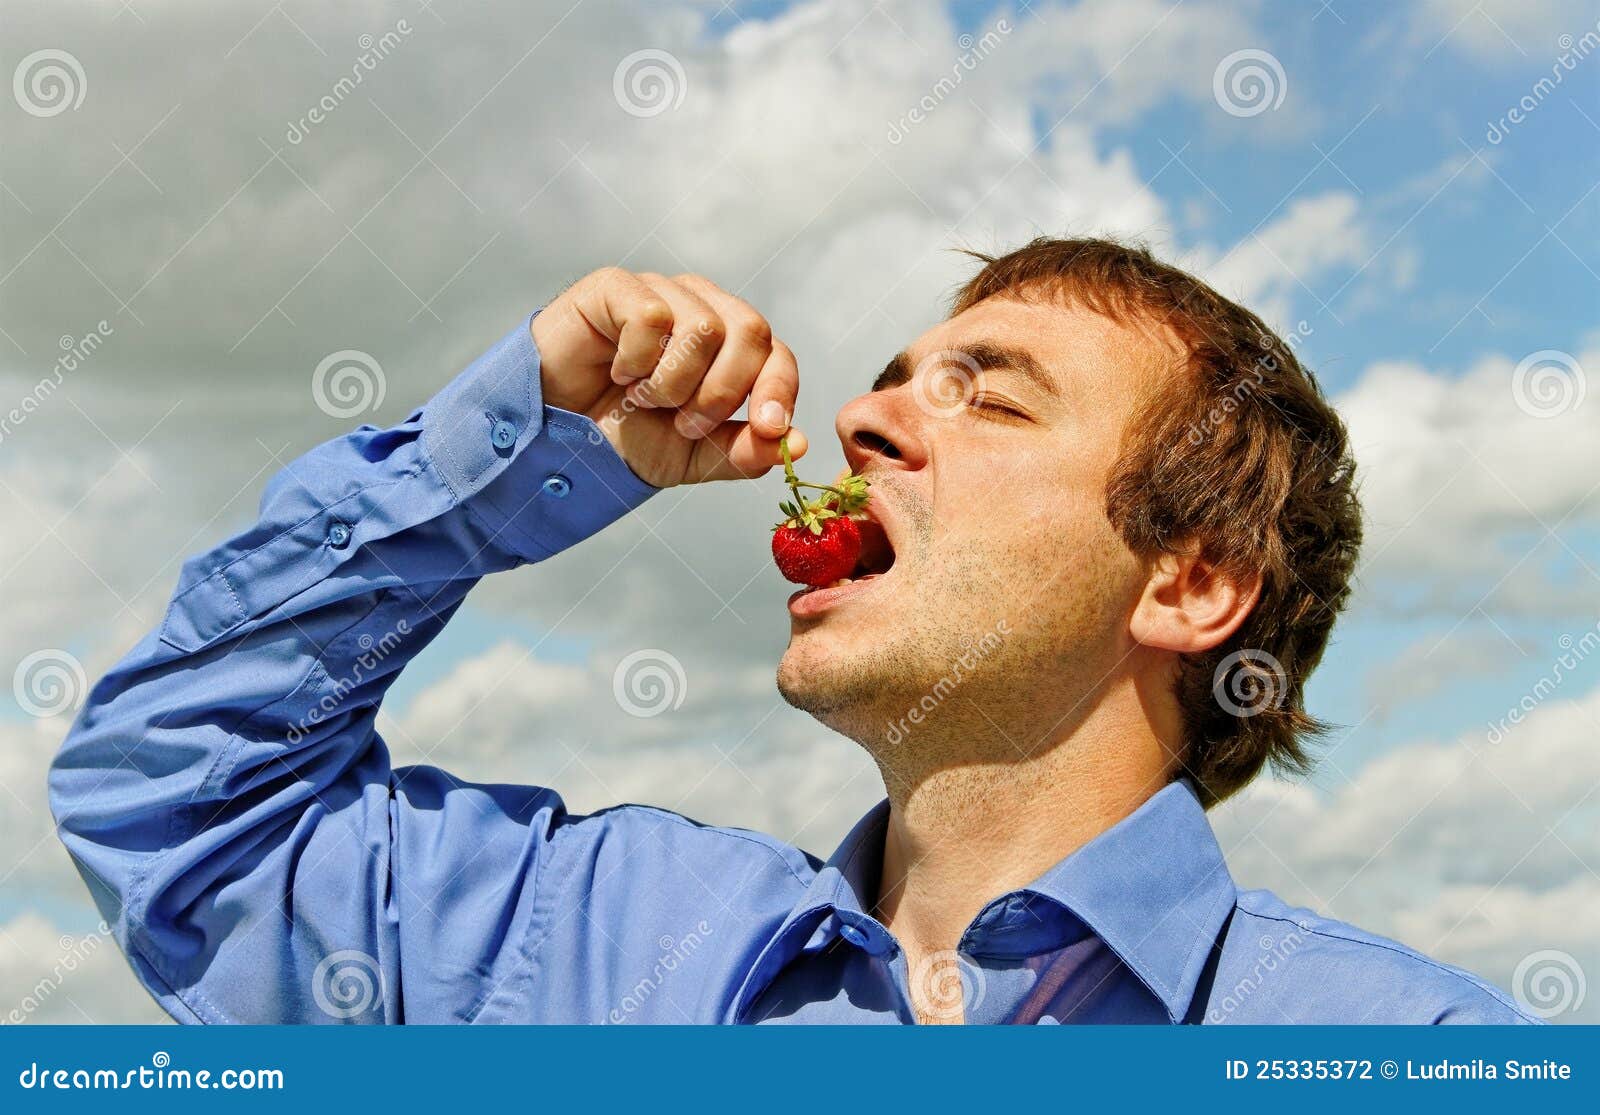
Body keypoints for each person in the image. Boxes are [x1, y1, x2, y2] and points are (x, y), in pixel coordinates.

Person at [49, 240, 1536, 1024]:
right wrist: (504, 462)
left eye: (993, 397)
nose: (865, 416)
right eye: (893, 380)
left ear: (1192, 586)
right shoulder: (581, 946)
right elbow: (176, 810)